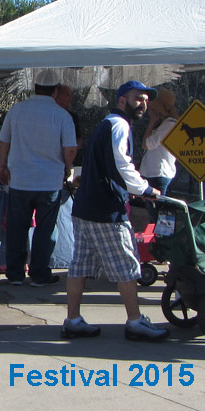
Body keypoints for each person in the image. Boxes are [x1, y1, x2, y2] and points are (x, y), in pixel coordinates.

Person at [63, 80, 168, 342]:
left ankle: (72, 320)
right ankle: (135, 322)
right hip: (106, 210)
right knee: (127, 265)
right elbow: (122, 164)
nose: (143, 103)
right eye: (137, 98)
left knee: (80, 265)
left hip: (86, 207)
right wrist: (146, 190)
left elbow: (106, 163)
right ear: (122, 100)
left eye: (145, 99)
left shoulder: (107, 124)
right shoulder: (118, 126)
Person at [0, 69, 77, 287]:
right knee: (46, 229)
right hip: (49, 181)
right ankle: (39, 274)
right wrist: (67, 167)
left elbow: (4, 141)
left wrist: (3, 165)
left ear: (35, 88)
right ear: (55, 90)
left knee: (17, 228)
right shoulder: (62, 115)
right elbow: (70, 149)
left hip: (20, 179)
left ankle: (15, 274)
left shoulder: (17, 110)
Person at [140, 88, 180, 195]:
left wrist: (151, 122)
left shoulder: (169, 125)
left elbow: (147, 144)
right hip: (153, 173)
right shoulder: (164, 124)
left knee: (157, 209)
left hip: (158, 173)